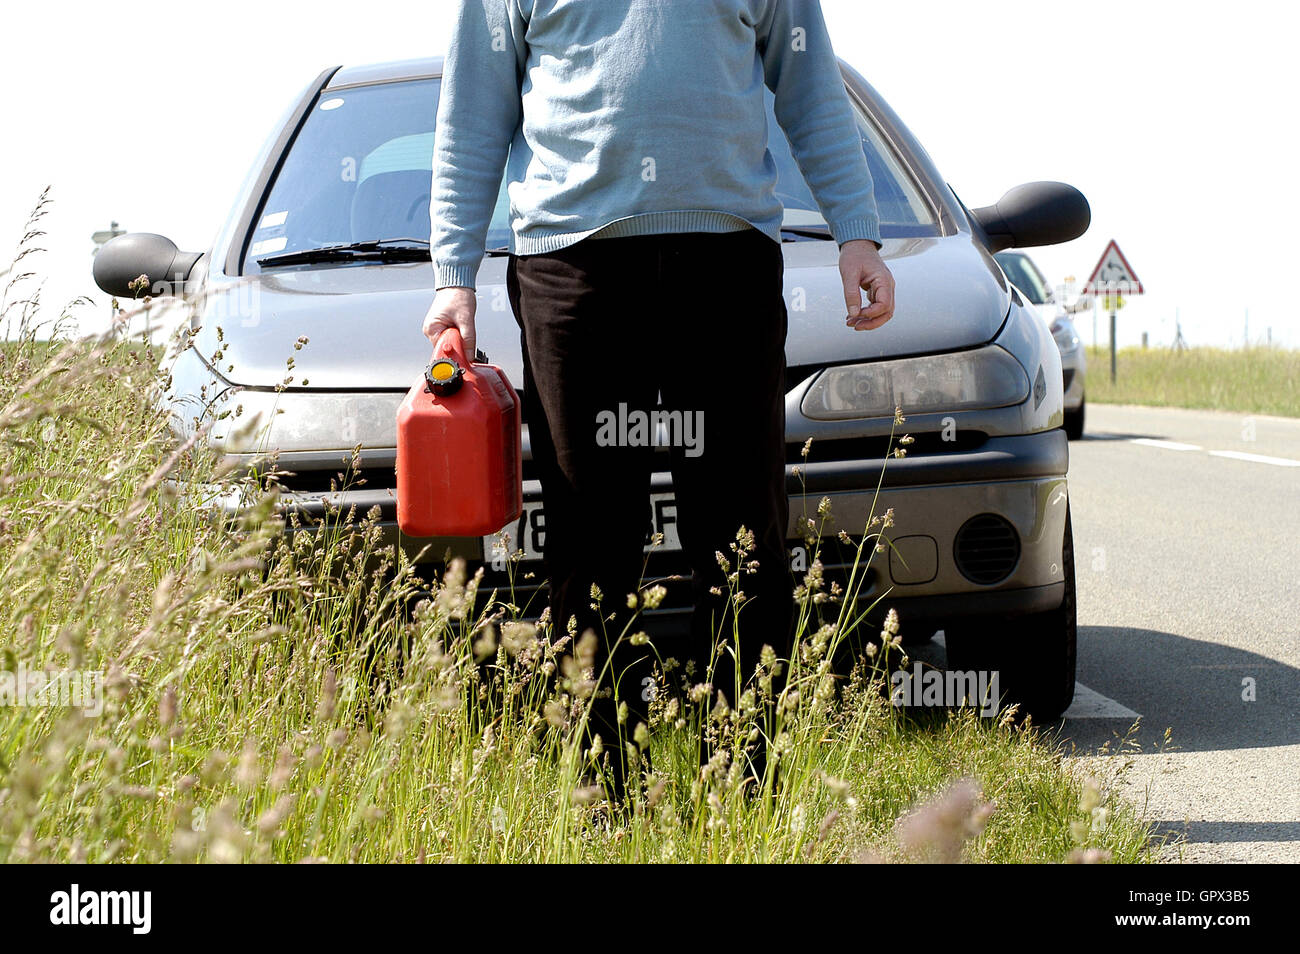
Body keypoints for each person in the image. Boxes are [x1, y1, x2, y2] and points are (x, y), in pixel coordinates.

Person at [424, 0, 895, 797]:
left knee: (744, 538)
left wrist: (856, 231)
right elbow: (474, 111)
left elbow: (811, 88)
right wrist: (453, 278)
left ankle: (744, 791)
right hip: (573, 272)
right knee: (588, 544)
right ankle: (602, 794)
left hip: (728, 267)